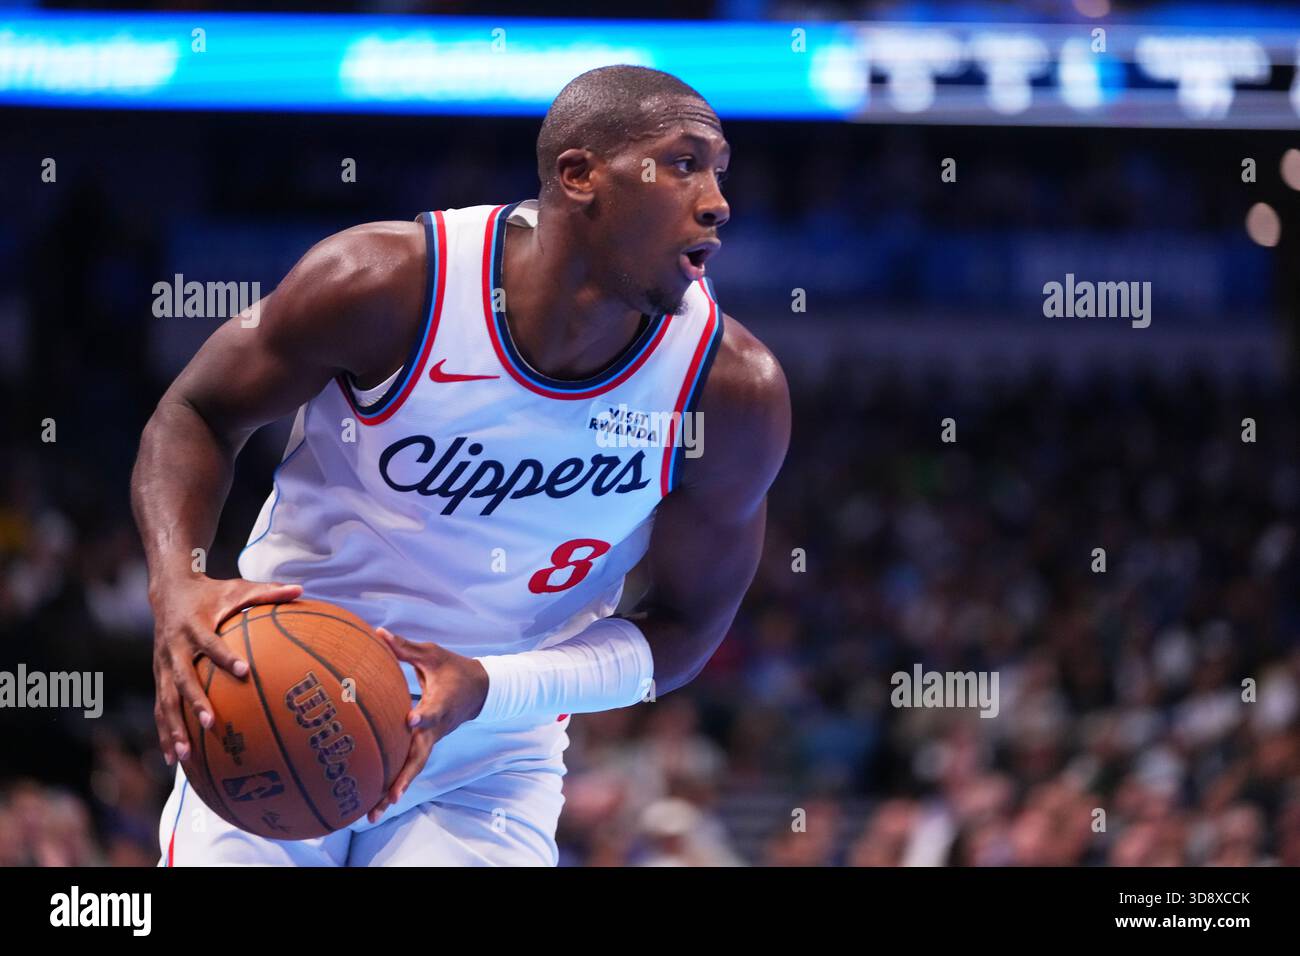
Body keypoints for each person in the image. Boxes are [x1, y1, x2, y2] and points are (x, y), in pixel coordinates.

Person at [131, 64, 790, 865]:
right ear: (580, 176)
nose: (717, 200)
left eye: (720, 170)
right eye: (685, 163)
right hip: (279, 689)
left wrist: (490, 686)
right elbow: (195, 413)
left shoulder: (727, 391)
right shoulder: (388, 283)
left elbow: (686, 632)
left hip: (490, 751)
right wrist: (179, 586)